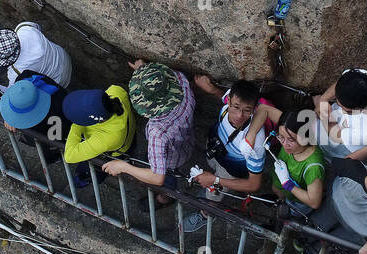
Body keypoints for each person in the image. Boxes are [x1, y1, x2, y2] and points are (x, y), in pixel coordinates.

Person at [102, 60, 195, 203]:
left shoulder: (157, 133)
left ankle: (164, 199)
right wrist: (146, 73)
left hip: (170, 163)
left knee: (167, 183)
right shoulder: (181, 82)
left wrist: (123, 166)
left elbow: (157, 177)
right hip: (186, 144)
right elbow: (163, 80)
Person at [183, 77, 267, 231]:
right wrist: (211, 89)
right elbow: (221, 94)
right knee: (212, 171)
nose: (239, 115)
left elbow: (254, 184)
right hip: (216, 150)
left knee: (213, 195)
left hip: (230, 170)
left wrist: (215, 179)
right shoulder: (230, 99)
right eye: (235, 107)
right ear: (228, 101)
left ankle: (207, 213)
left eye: (247, 111)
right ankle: (210, 189)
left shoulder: (256, 142)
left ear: (254, 109)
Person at [313, 68, 367, 160]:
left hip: (347, 148)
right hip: (342, 126)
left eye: (348, 112)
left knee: (327, 152)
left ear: (361, 109)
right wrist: (323, 99)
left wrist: (325, 117)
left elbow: (335, 135)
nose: (343, 111)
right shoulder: (362, 78)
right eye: (337, 102)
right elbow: (341, 84)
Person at [0, 22, 72, 89]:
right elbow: (37, 27)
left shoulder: (17, 73)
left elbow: (10, 92)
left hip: (59, 81)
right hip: (63, 56)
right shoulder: (24, 28)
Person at [63, 86, 136, 166]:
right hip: (130, 129)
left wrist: (77, 123)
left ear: (100, 120)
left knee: (92, 170)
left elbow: (70, 156)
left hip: (115, 154)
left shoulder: (107, 138)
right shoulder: (115, 91)